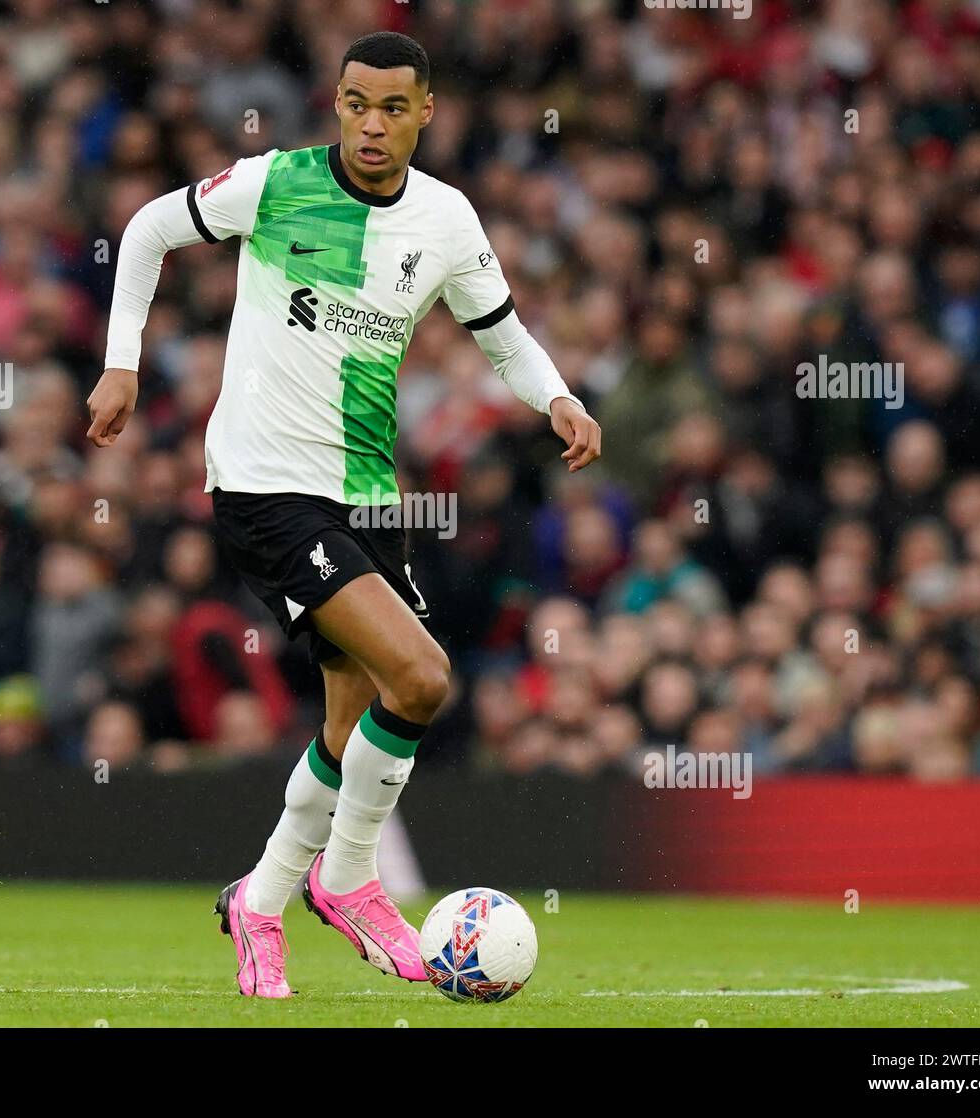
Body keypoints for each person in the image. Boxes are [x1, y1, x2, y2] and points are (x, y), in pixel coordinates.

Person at [86, 31, 601, 998]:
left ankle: (263, 898)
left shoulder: (446, 219)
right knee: (422, 676)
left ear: (426, 113)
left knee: (354, 714)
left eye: (393, 108)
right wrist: (123, 360)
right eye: (356, 104)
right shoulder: (274, 183)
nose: (372, 124)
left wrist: (559, 399)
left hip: (367, 495)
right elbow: (150, 227)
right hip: (265, 485)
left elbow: (500, 332)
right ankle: (352, 877)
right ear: (336, 103)